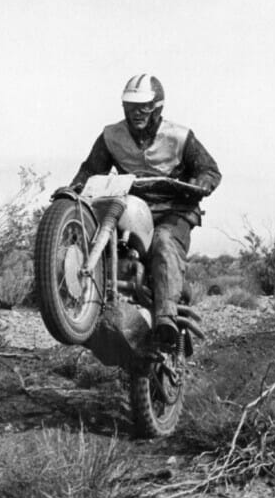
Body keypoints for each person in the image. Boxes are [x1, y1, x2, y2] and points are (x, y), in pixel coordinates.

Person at [69, 74, 221, 347]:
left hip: (174, 210)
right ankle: (87, 307)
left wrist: (201, 183)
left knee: (163, 242)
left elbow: (209, 169)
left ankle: (167, 318)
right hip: (134, 208)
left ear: (158, 107)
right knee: (100, 236)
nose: (136, 112)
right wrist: (75, 190)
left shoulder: (179, 136)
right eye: (130, 105)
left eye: (143, 106)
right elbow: (91, 170)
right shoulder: (111, 136)